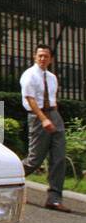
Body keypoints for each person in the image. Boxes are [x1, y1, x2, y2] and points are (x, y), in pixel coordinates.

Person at [20, 43, 69, 212]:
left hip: (54, 115)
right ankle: (7, 176)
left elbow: (52, 99)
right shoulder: (29, 75)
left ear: (50, 59)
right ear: (35, 57)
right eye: (40, 55)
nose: (42, 59)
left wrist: (54, 118)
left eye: (46, 56)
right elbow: (30, 99)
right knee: (35, 159)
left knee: (59, 157)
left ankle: (54, 199)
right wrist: (43, 119)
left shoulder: (52, 77)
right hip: (37, 116)